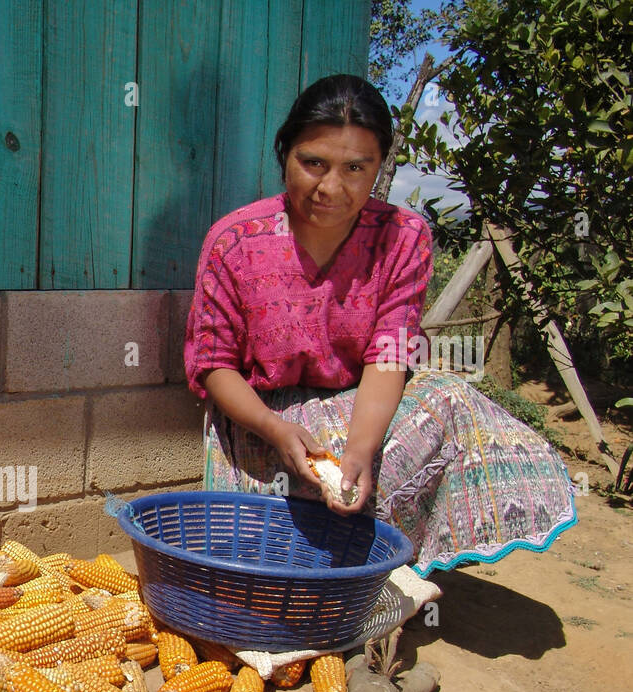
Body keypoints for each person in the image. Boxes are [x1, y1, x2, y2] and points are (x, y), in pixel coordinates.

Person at [183, 73, 577, 576]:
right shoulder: (234, 241)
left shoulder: (403, 237)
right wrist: (278, 430)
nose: (331, 187)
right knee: (290, 537)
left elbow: (391, 353)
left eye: (355, 168)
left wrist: (364, 448)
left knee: (453, 398)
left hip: (363, 404)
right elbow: (214, 367)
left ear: (378, 167)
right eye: (314, 164)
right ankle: (319, 562)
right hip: (265, 421)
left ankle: (383, 563)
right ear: (285, 154)